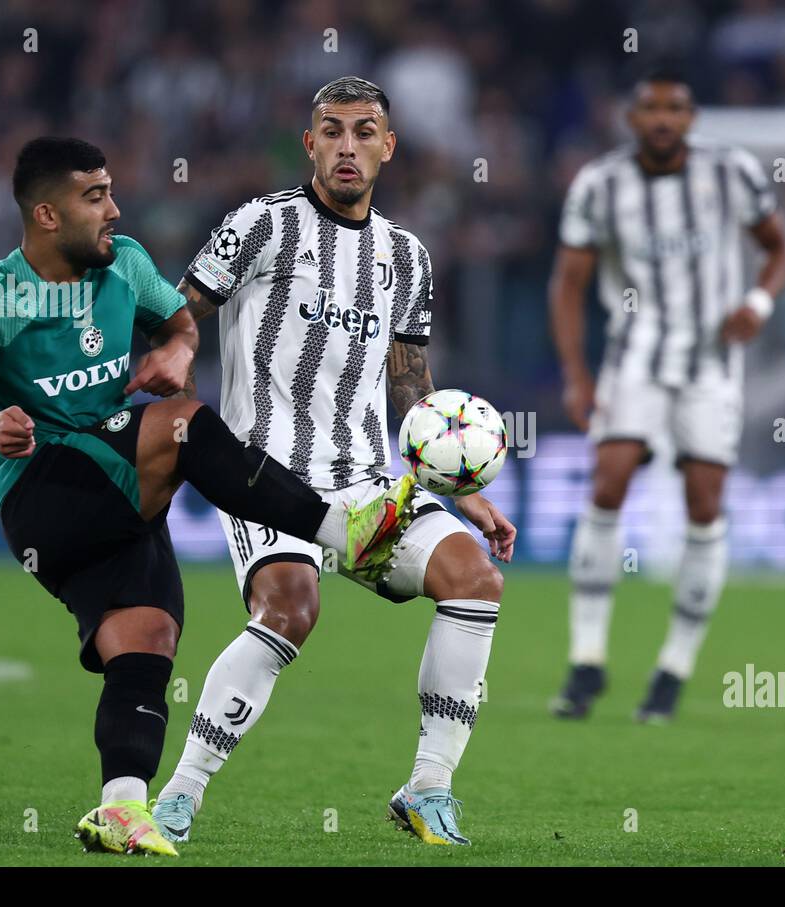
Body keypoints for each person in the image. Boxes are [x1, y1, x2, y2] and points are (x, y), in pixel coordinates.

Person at [0, 136, 415, 857]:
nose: (115, 209)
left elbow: (179, 322)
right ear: (48, 214)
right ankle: (344, 529)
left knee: (145, 644)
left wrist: (178, 347)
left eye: (112, 191)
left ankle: (121, 807)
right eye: (96, 199)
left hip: (119, 505)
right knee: (184, 424)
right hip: (47, 494)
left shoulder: (128, 267)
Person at [150, 77, 516, 847]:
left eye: (364, 131)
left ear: (389, 147)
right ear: (309, 142)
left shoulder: (407, 257)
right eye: (332, 130)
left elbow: (411, 388)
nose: (348, 145)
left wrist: (463, 490)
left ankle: (427, 788)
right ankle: (180, 794)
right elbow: (176, 324)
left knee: (475, 580)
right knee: (290, 609)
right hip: (265, 477)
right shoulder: (259, 225)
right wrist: (184, 435)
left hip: (365, 480)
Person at [549, 67, 785, 722]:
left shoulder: (731, 172)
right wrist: (576, 372)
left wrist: (760, 303)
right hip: (636, 356)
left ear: (692, 117)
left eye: (675, 108)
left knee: (704, 503)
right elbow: (568, 283)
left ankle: (673, 670)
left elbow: (778, 248)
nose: (662, 119)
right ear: (631, 118)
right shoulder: (601, 184)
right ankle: (586, 662)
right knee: (609, 481)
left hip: (712, 362)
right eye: (650, 107)